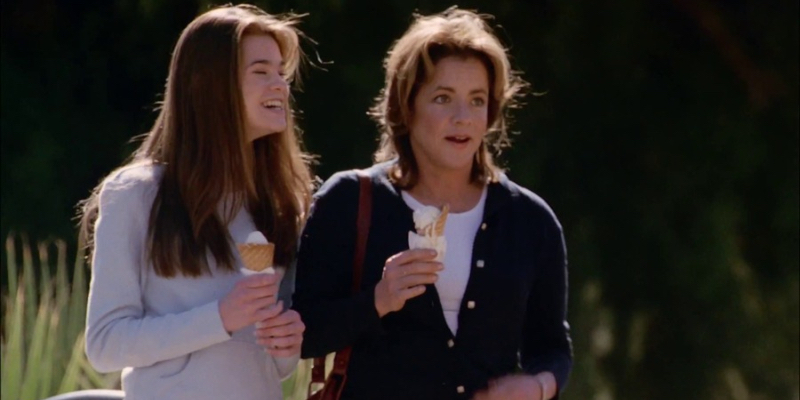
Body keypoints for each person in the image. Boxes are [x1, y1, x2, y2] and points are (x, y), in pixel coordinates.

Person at [290, 7, 572, 400]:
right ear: (406, 107)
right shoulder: (349, 202)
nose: (463, 117)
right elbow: (300, 333)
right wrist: (378, 300)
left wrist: (539, 386)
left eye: (477, 100)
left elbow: (553, 348)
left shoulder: (530, 220)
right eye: (443, 98)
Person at [78, 4, 313, 400]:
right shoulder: (137, 194)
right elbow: (105, 344)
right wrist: (218, 317)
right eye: (261, 72)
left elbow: (274, 365)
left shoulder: (281, 202)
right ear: (208, 85)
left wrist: (287, 344)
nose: (280, 86)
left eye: (281, 73)